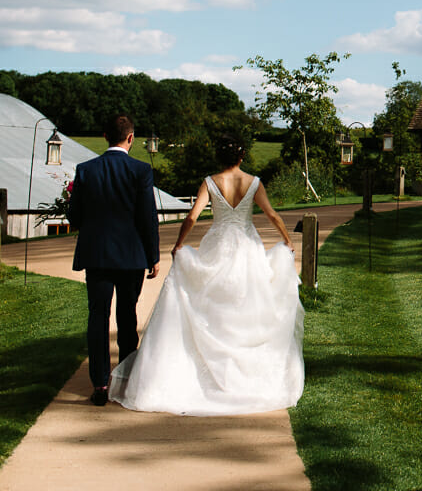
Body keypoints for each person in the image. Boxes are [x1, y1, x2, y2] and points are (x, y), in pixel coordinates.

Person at [108, 134, 304, 415]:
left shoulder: (210, 182)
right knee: (245, 306)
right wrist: (287, 240)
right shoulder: (254, 182)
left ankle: (209, 372)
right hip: (247, 247)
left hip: (219, 245)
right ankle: (243, 373)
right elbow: (272, 214)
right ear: (241, 156)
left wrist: (179, 244)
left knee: (211, 304)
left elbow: (192, 216)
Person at [68, 114, 160, 407]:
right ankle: (126, 380)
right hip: (132, 257)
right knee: (127, 317)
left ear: (105, 136)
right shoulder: (141, 170)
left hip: (96, 256)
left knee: (97, 318)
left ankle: (100, 383)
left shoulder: (85, 170)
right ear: (131, 138)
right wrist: (153, 256)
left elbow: (74, 218)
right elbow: (148, 218)